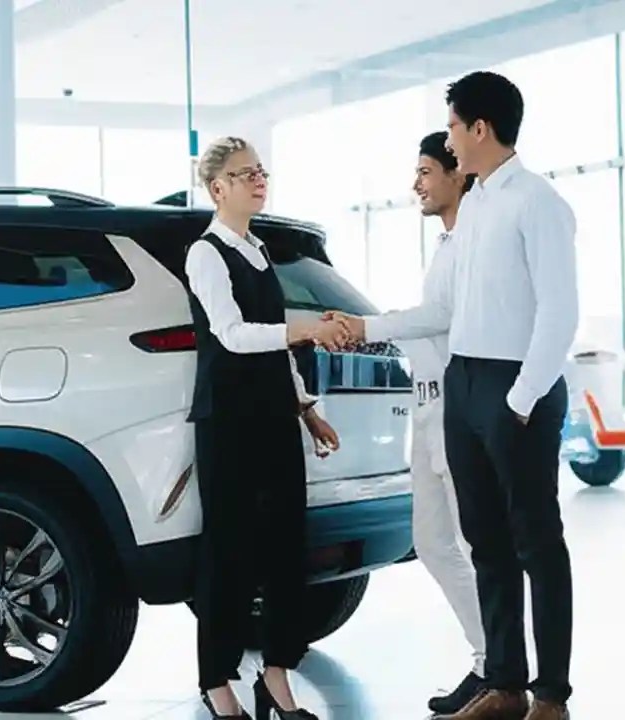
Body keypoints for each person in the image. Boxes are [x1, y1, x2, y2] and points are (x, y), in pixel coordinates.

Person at [328, 72, 579, 720]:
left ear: (479, 129)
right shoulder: (478, 212)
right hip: (467, 382)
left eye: (450, 128)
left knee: (536, 544)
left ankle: (550, 696)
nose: (447, 140)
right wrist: (367, 328)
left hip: (514, 386)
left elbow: (560, 312)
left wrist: (521, 400)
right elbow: (442, 309)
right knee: (486, 543)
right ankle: (503, 683)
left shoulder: (537, 203)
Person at [185, 135, 345, 720]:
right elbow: (231, 334)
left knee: (284, 553)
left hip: (276, 416)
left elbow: (274, 350)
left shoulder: (257, 251)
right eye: (245, 173)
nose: (259, 180)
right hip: (229, 421)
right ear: (217, 187)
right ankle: (218, 683)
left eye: (261, 171)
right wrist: (304, 330)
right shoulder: (206, 254)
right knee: (227, 553)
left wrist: (306, 408)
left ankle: (275, 677)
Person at [405, 131, 487, 715]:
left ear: (458, 174)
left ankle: (497, 667)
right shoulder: (445, 244)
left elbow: (440, 318)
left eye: (427, 171)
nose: (417, 184)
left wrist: (367, 326)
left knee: (473, 542)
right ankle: (490, 657)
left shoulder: (473, 244)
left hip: (457, 412)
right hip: (426, 408)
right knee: (431, 542)